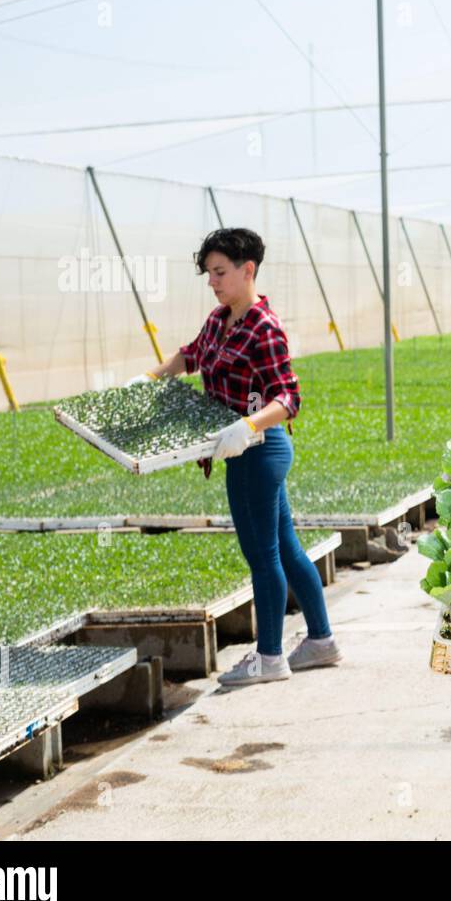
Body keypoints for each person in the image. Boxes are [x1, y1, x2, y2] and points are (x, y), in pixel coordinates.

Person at [128, 227, 340, 686]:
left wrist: (247, 426)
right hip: (247, 454)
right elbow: (191, 356)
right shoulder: (220, 320)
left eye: (220, 272)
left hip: (258, 452)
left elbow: (288, 397)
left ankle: (269, 658)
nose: (213, 282)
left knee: (262, 557)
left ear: (248, 270)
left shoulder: (265, 327)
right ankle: (321, 641)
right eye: (208, 274)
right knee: (286, 548)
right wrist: (153, 375)